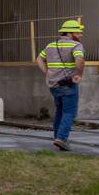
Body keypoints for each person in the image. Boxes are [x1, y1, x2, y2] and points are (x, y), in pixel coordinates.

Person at [37, 19, 86, 150]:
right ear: (70, 33)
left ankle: (57, 136)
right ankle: (62, 138)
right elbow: (79, 59)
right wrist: (79, 74)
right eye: (79, 32)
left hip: (53, 85)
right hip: (68, 84)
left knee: (60, 110)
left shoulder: (51, 45)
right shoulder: (76, 45)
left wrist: (47, 72)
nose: (81, 34)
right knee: (69, 112)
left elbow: (39, 59)